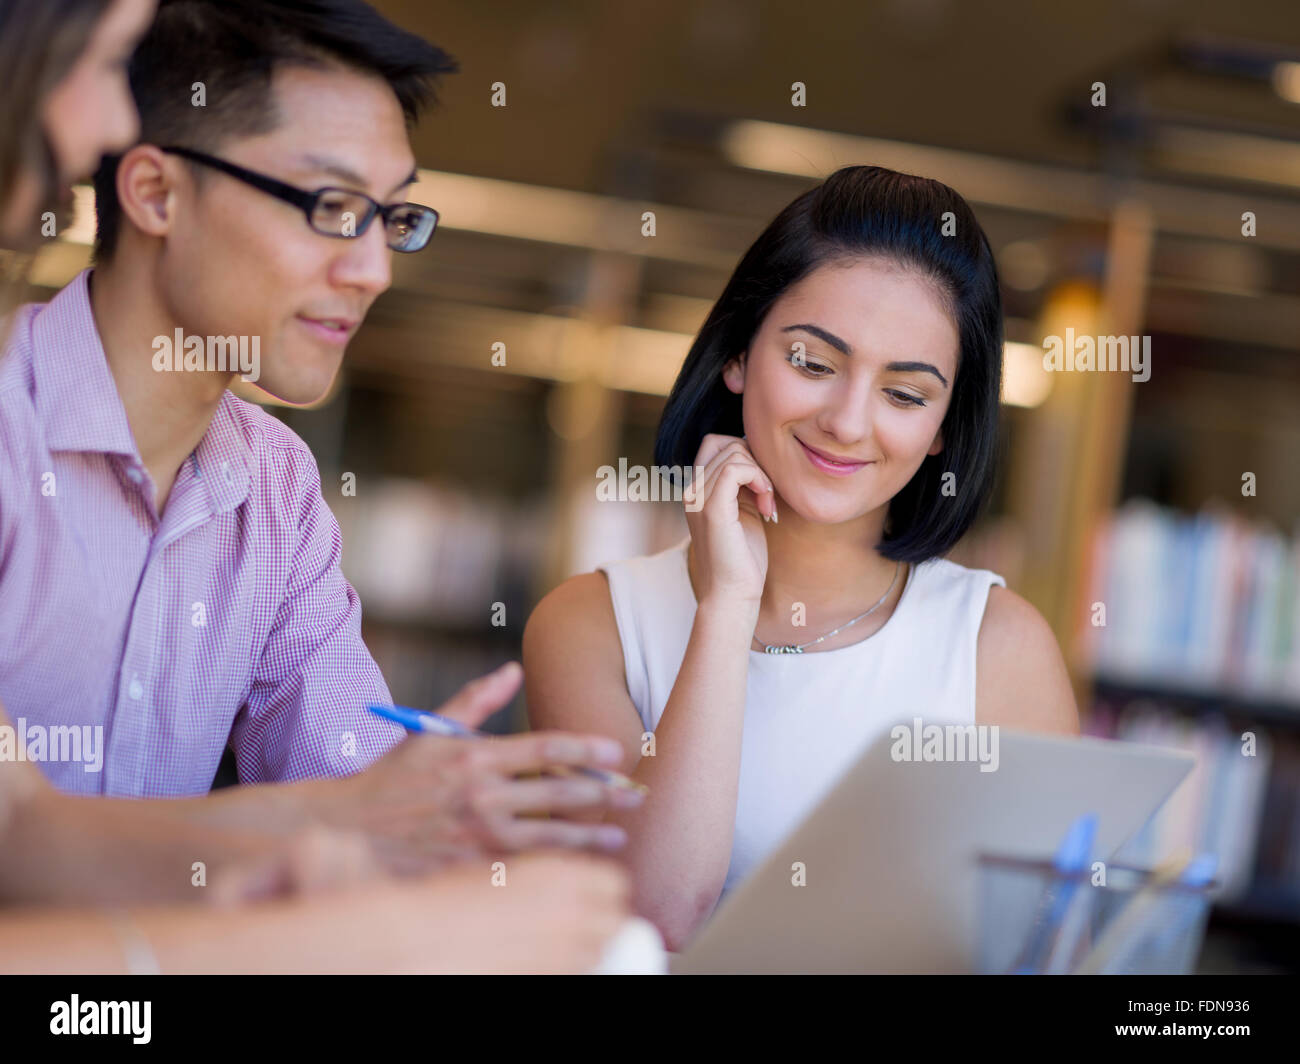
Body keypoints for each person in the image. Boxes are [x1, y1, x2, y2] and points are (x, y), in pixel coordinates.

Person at [0, 0, 636, 973]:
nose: (374, 266)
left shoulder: (278, 486)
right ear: (156, 194)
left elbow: (360, 782)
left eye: (392, 218)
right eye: (330, 208)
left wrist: (464, 809)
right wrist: (349, 825)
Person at [524, 164, 1081, 950]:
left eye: (907, 394)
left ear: (946, 428)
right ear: (739, 355)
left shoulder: (999, 650)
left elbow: (1044, 955)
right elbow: (651, 918)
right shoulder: (590, 626)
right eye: (813, 363)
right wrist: (725, 611)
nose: (849, 422)